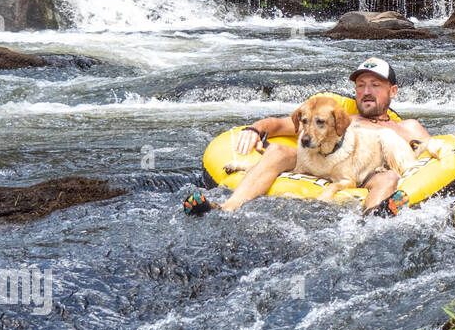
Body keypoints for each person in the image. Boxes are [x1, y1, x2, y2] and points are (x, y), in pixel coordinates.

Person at [183, 58, 431, 218]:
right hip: (316, 161)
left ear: (393, 91)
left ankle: (373, 219)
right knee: (279, 151)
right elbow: (280, 125)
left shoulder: (408, 127)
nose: (366, 92)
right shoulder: (337, 119)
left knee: (388, 176)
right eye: (361, 86)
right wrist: (255, 129)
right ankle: (226, 209)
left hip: (367, 173)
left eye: (375, 85)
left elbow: (430, 160)